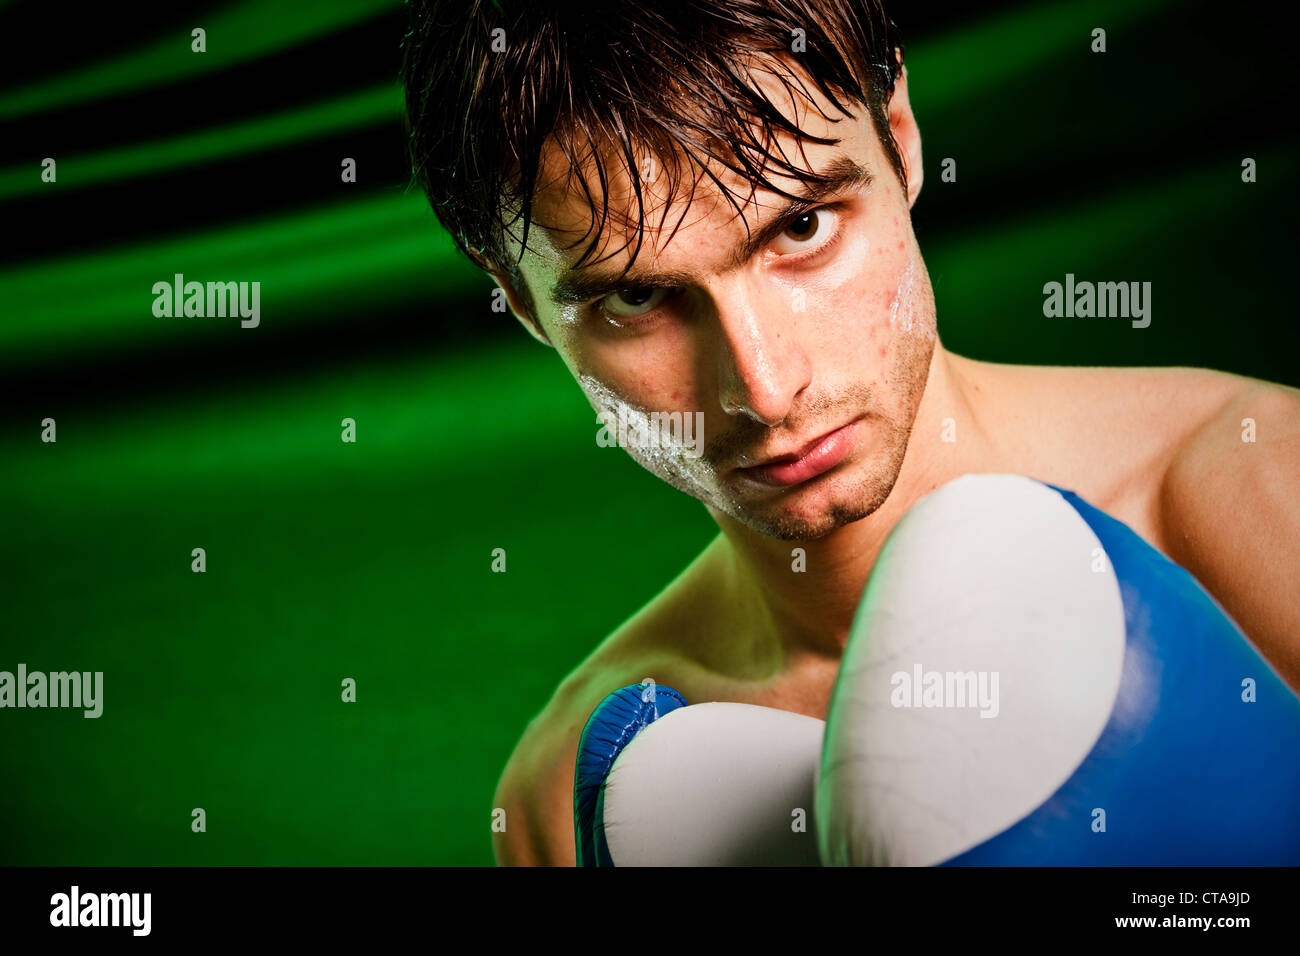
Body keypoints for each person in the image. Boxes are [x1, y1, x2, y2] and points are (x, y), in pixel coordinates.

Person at [400, 0, 1300, 865]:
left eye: (801, 226)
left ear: (899, 138)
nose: (766, 386)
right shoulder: (565, 802)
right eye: (638, 296)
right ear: (519, 299)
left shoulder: (1262, 499)